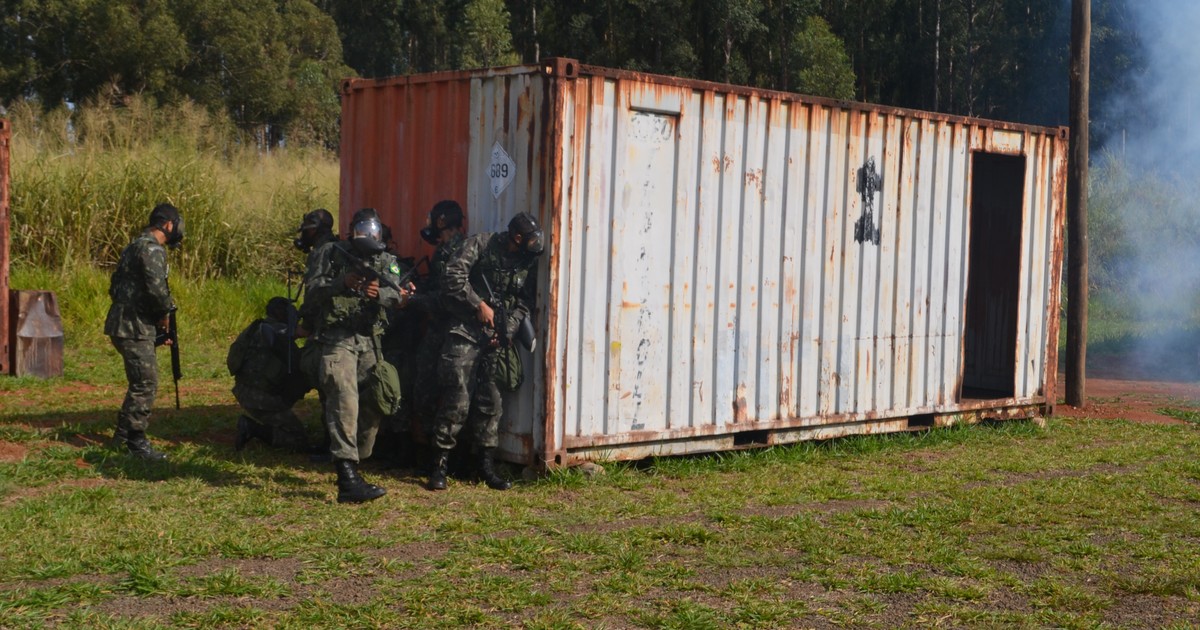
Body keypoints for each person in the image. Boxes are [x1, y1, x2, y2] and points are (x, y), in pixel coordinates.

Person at [426, 211, 543, 491]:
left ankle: (485, 466)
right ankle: (438, 465)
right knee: (457, 398)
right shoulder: (480, 244)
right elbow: (452, 277)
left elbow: (524, 302)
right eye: (529, 238)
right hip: (465, 331)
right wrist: (478, 305)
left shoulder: (528, 261)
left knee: (491, 403)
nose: (534, 244)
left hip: (497, 338)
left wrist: (507, 329)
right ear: (516, 237)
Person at [305, 207, 409, 503]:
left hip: (370, 342)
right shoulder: (330, 253)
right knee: (343, 398)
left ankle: (355, 458)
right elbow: (312, 293)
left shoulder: (387, 260)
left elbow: (400, 295)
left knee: (379, 396)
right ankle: (347, 476)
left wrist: (381, 293)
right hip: (337, 338)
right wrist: (343, 283)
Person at [104, 202, 185, 461]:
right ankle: (136, 443)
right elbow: (156, 290)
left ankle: (122, 436)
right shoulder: (152, 250)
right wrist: (164, 317)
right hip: (134, 326)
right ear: (169, 225)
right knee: (145, 383)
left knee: (139, 380)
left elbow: (117, 286)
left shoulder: (133, 246)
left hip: (122, 323)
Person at [408, 200, 468, 444]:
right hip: (441, 329)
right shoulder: (446, 250)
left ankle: (435, 449)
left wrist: (413, 300)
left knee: (439, 389)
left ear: (441, 221)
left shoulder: (454, 252)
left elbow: (445, 299)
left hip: (451, 330)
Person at [228, 297, 312, 452]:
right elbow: (299, 333)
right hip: (260, 398)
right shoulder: (273, 330)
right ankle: (252, 428)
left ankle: (270, 423)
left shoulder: (257, 327)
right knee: (298, 439)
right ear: (281, 314)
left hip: (247, 391)